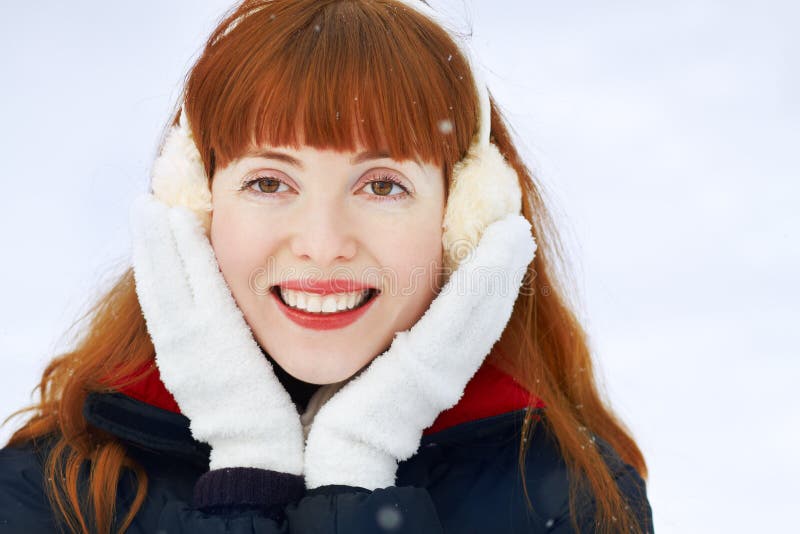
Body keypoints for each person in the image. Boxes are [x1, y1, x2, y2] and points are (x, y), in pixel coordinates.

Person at [0, 1, 653, 532]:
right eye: (268, 182)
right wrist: (247, 468)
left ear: (465, 223)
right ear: (194, 206)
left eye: (382, 186)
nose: (321, 242)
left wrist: (358, 463)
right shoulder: (49, 490)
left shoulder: (573, 500)